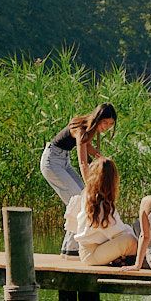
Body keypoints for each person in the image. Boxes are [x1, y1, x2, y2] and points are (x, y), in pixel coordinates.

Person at [40, 102, 117, 254]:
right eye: (105, 122)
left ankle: (68, 248)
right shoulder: (81, 129)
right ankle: (71, 248)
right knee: (79, 199)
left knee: (81, 199)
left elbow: (86, 145)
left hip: (63, 160)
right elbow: (82, 162)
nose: (107, 127)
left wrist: (98, 156)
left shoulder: (90, 129)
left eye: (110, 124)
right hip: (52, 162)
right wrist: (91, 185)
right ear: (98, 118)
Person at [65, 157, 137, 266]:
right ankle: (123, 259)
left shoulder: (88, 195)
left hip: (89, 251)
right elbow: (118, 231)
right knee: (131, 240)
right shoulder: (102, 205)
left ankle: (119, 258)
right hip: (93, 254)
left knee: (128, 236)